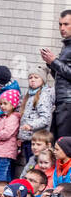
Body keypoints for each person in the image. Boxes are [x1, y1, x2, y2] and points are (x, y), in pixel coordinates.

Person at [39, 8, 71, 139]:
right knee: (56, 144)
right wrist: (50, 63)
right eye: (60, 24)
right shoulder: (66, 46)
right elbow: (62, 76)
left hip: (67, 104)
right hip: (61, 103)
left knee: (62, 145)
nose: (62, 28)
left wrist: (54, 61)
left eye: (66, 24)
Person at [18, 68, 54, 163]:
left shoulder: (44, 96)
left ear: (43, 80)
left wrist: (31, 126)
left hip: (36, 141)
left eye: (36, 77)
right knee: (28, 166)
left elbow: (46, 118)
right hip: (27, 139)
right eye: (30, 77)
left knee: (34, 165)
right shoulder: (29, 95)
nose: (32, 80)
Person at [0, 87, 22, 184]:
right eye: (1, 104)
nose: (2, 106)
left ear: (13, 104)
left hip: (6, 151)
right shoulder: (4, 117)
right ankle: (3, 189)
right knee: (4, 173)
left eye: (5, 103)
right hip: (1, 151)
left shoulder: (13, 118)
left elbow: (7, 133)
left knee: (2, 173)